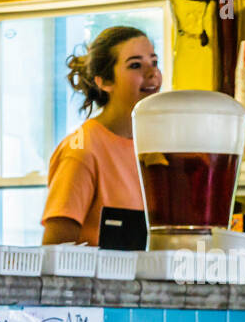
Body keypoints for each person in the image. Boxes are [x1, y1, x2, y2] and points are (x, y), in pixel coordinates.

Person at [42, 27, 162, 245]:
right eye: (135, 65)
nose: (152, 73)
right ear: (104, 82)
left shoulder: (155, 147)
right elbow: (56, 248)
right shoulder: (81, 150)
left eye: (154, 62)